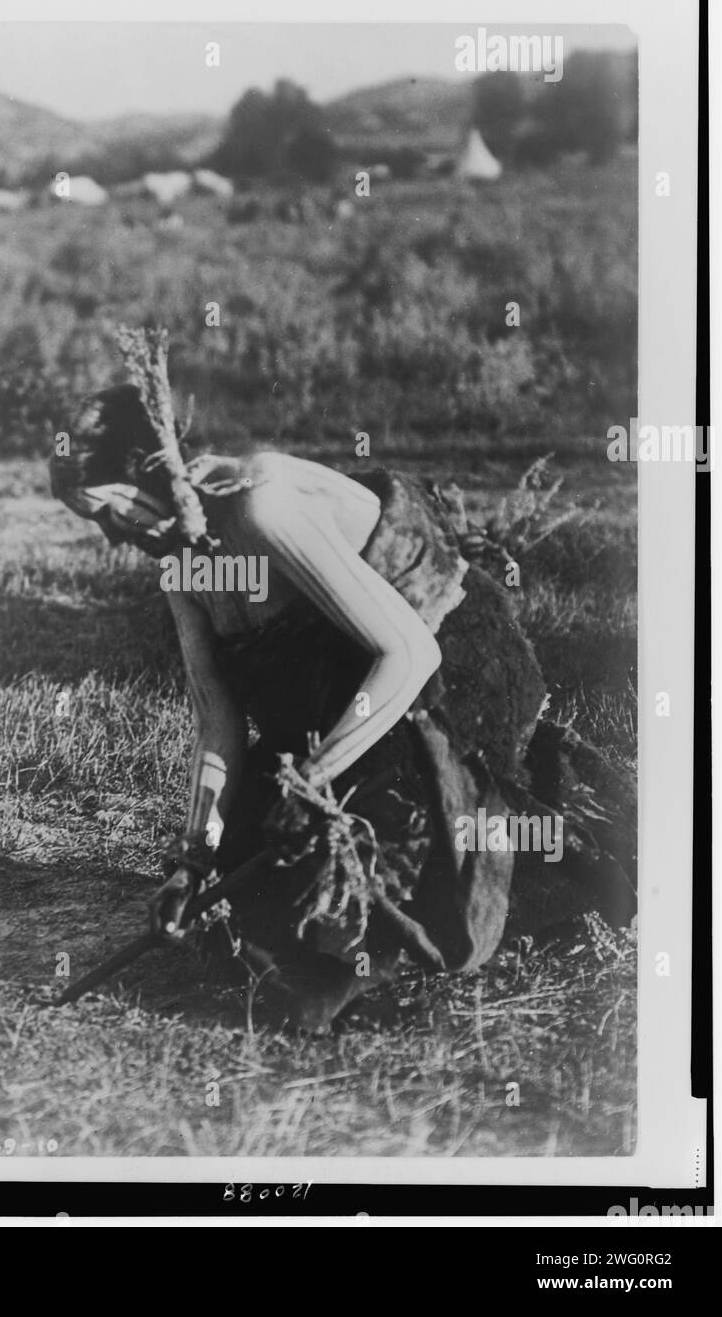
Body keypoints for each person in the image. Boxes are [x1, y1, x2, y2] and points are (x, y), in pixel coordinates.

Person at [51, 373, 635, 1033]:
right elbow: (218, 721)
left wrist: (314, 785)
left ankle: (544, 843)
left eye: (104, 509)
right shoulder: (180, 559)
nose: (108, 534)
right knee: (263, 877)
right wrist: (191, 863)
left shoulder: (259, 504)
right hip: (344, 696)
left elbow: (411, 655)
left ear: (145, 468)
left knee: (367, 849)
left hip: (453, 671)